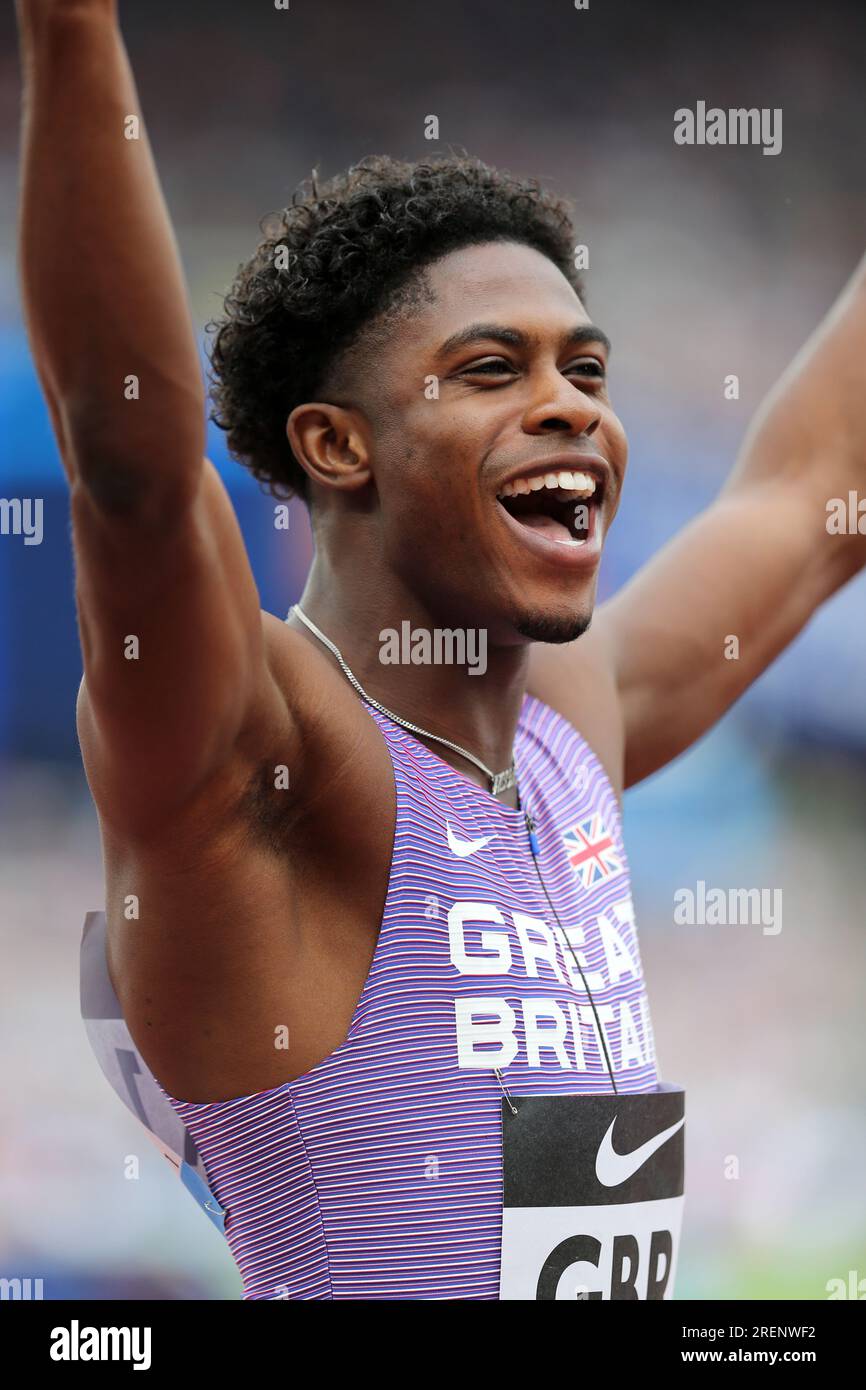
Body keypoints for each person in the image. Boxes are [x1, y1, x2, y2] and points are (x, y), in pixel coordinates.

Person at [16, 0, 866, 1300]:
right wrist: (72, 31)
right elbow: (130, 468)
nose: (570, 406)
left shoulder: (568, 726)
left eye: (585, 369)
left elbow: (812, 494)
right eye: (491, 368)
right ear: (336, 446)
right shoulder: (266, 752)